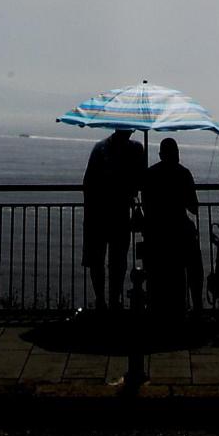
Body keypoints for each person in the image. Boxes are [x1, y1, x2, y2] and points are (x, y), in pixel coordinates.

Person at [80, 125, 145, 308]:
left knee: (99, 260)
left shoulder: (100, 149)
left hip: (97, 213)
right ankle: (113, 299)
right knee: (116, 260)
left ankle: (102, 300)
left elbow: (88, 182)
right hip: (118, 213)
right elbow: (139, 181)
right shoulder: (135, 149)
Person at [142, 135, 203, 314]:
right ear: (177, 154)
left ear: (161, 155)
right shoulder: (183, 173)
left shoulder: (150, 174)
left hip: (156, 234)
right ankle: (197, 305)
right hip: (179, 231)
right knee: (194, 267)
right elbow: (194, 207)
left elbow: (146, 206)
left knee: (156, 276)